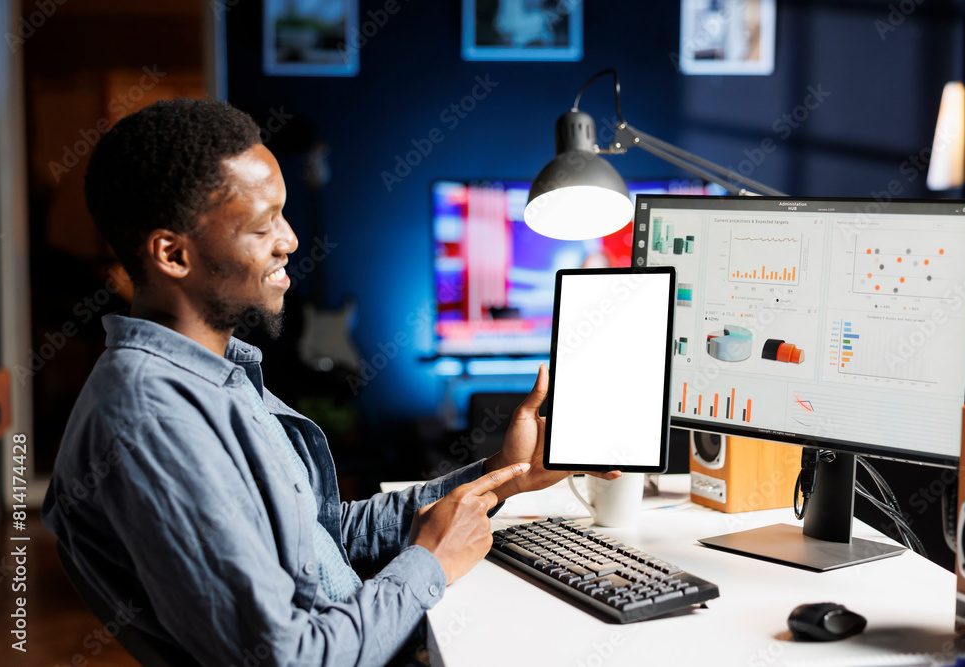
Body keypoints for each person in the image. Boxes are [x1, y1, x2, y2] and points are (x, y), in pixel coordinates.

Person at [41, 98, 619, 667]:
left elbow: (320, 541)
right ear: (173, 253)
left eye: (285, 214)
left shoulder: (213, 376)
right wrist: (430, 564)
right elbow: (287, 659)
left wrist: (506, 476)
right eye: (264, 224)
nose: (289, 239)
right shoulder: (155, 420)